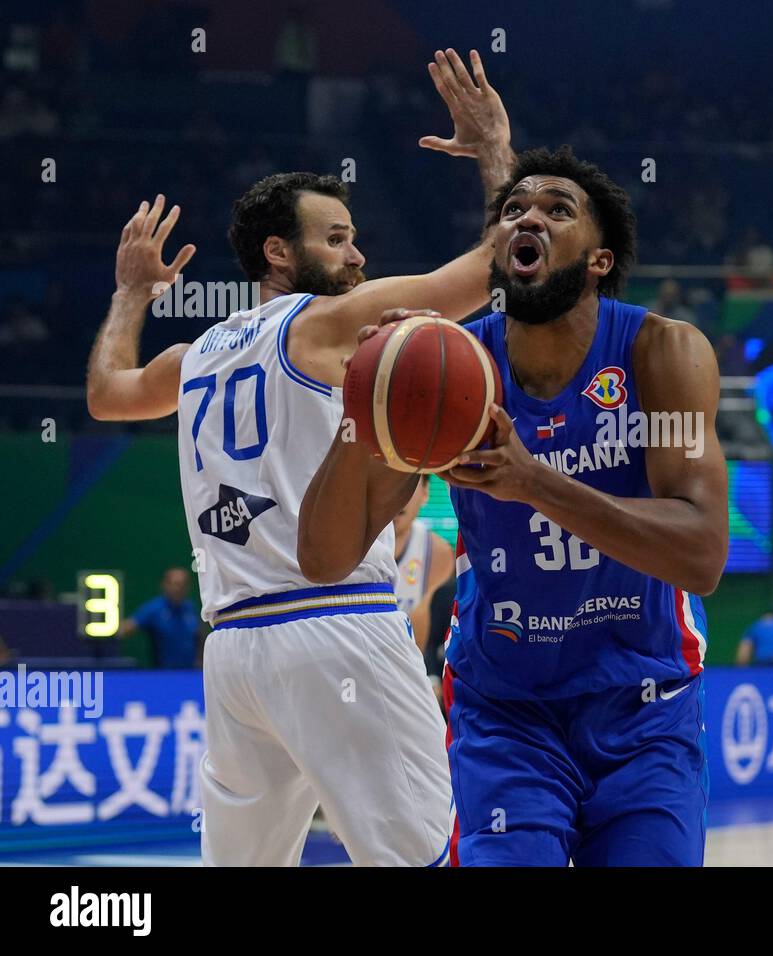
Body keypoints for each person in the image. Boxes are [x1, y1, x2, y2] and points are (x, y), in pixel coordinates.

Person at [85, 50, 515, 867]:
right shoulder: (322, 323)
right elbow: (494, 268)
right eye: (339, 238)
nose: (358, 256)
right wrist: (494, 148)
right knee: (433, 859)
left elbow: (107, 393)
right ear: (279, 254)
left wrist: (132, 293)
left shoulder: (197, 354)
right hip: (334, 625)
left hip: (236, 651)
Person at [299, 146, 730, 867]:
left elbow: (702, 552)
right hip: (506, 714)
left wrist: (534, 483)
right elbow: (324, 558)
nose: (528, 215)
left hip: (645, 708)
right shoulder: (455, 369)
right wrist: (365, 405)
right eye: (513, 208)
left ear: (599, 259)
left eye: (558, 209)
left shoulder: (662, 354)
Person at [392, 476, 455, 655]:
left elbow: (419, 645)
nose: (398, 495)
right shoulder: (348, 545)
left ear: (425, 492)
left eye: (407, 484)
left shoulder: (438, 553)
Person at [119, 566, 204, 668]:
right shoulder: (153, 609)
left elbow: (199, 636)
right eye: (175, 584)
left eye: (183, 585)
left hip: (190, 673)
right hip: (163, 674)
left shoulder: (191, 608)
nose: (178, 589)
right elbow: (126, 628)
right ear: (165, 585)